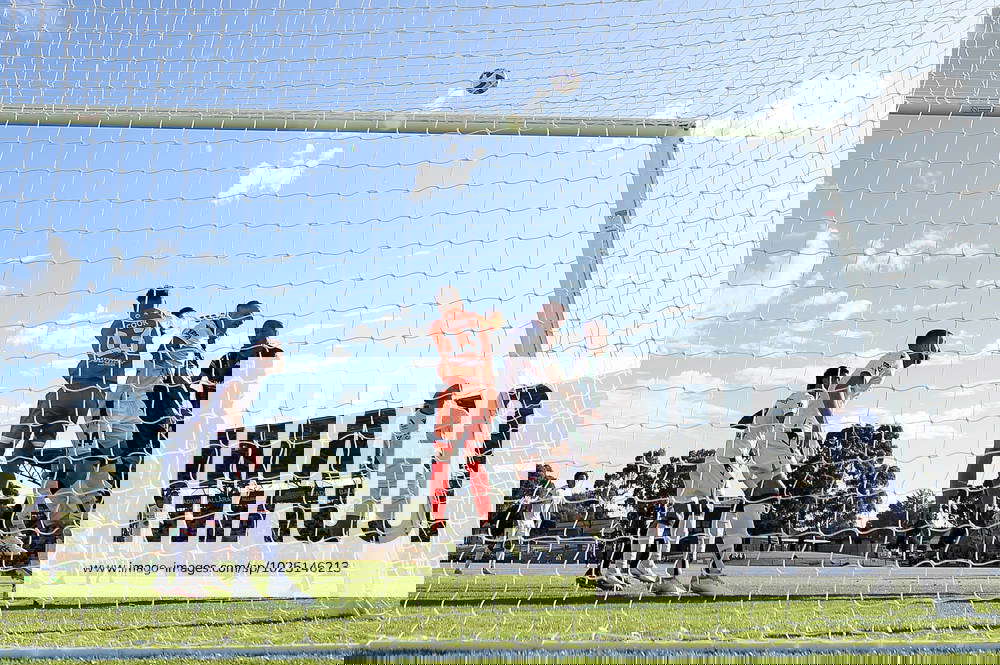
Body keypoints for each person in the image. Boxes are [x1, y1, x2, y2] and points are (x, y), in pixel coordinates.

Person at [427, 286, 503, 530]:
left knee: (470, 460)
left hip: (472, 394)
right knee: (445, 460)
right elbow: (446, 362)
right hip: (456, 395)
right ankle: (442, 517)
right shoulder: (440, 327)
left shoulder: (472, 323)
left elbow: (485, 357)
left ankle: (482, 516)